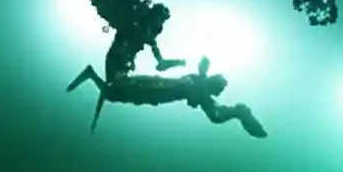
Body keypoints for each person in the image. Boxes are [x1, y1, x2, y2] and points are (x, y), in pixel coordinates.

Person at [67, 57, 268, 138]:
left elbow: (212, 110)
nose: (219, 94)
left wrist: (235, 114)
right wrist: (235, 113)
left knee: (112, 93)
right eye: (219, 89)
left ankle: (91, 74)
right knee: (112, 94)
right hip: (150, 89)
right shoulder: (199, 86)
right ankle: (91, 74)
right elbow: (212, 111)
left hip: (152, 89)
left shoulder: (199, 85)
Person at [89, 0, 185, 81]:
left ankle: (99, 76)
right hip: (123, 46)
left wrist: (166, 62)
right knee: (115, 77)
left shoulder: (148, 26)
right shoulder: (134, 13)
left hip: (126, 48)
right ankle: (96, 75)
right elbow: (147, 39)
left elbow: (152, 43)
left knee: (115, 77)